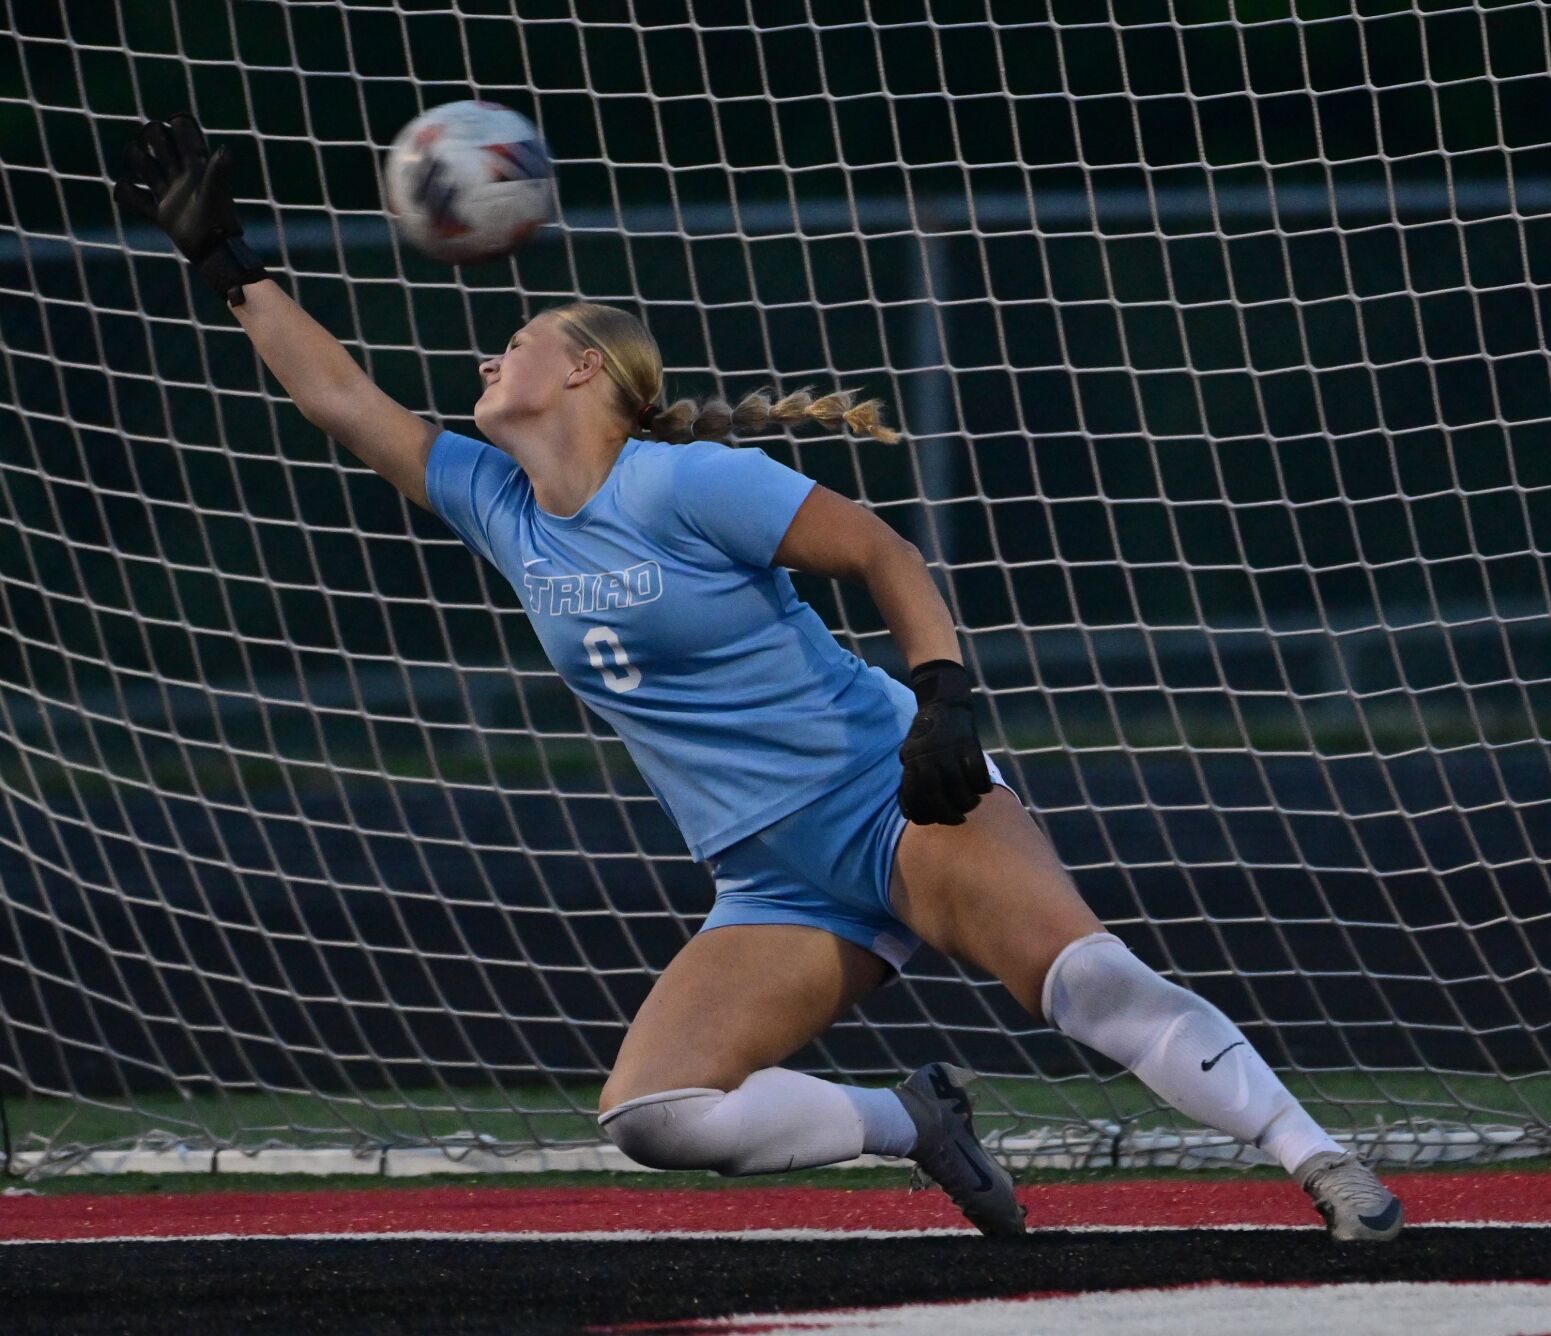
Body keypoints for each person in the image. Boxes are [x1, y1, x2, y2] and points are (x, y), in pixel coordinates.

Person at [112, 113, 1403, 1242]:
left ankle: (1321, 1161)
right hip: (770, 876)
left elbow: (883, 551)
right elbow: (342, 399)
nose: (489, 357)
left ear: (584, 375)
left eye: (519, 337)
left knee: (1083, 981)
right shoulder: (500, 501)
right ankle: (913, 1121)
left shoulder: (686, 482)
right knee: (657, 1116)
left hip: (889, 801)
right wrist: (224, 264)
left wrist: (946, 695)